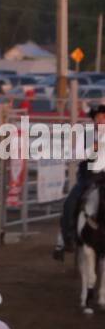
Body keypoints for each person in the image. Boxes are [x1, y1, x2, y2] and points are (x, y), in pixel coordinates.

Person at [54, 104, 105, 259]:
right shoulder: (88, 134)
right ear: (94, 119)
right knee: (71, 202)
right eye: (98, 117)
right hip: (89, 177)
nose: (101, 120)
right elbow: (74, 155)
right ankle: (67, 238)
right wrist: (91, 150)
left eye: (103, 117)